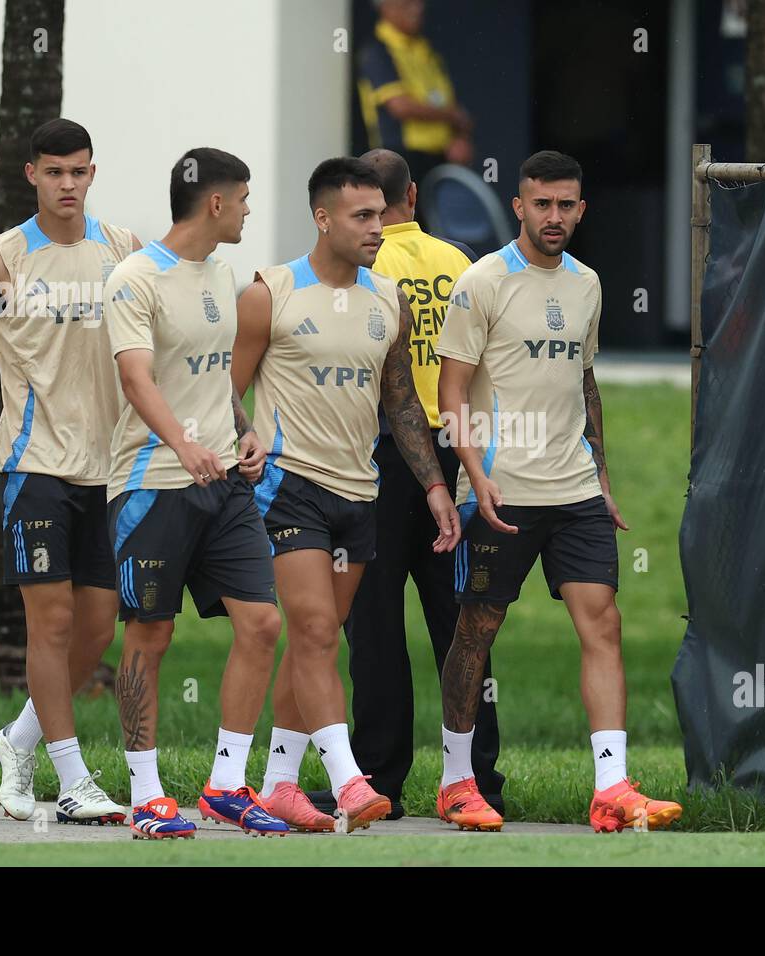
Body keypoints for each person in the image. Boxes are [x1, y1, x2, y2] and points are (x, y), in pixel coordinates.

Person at [433, 150, 683, 832]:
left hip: (573, 490)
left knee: (603, 623)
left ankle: (612, 788)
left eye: (565, 204)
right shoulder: (481, 283)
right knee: (477, 629)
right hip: (498, 488)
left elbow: (585, 380)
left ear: (581, 208)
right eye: (541, 204)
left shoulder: (588, 283)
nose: (553, 216)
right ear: (518, 206)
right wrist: (474, 474)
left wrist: (600, 478)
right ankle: (456, 780)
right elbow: (449, 389)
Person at [231, 157, 460, 832]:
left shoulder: (389, 300)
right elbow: (224, 387)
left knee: (317, 639)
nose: (377, 227)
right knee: (314, 629)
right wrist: (242, 438)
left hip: (359, 491)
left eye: (380, 212)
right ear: (323, 218)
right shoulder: (269, 293)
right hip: (287, 487)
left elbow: (404, 407)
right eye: (361, 216)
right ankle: (348, 778)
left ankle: (276, 784)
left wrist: (436, 487)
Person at [0, 118, 134, 826]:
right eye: (54, 172)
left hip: (109, 470)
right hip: (33, 465)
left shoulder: (123, 251)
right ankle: (71, 780)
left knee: (98, 629)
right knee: (51, 622)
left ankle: (17, 739)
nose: (67, 184)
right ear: (32, 176)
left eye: (78, 172)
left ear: (92, 174)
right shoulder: (2, 257)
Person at [303, 148, 502, 821]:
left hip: (379, 452)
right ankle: (477, 778)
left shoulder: (360, 268)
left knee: (374, 623)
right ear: (413, 195)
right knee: (461, 623)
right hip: (450, 449)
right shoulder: (463, 267)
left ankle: (377, 775)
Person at [103, 148, 287, 839]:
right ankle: (147, 794)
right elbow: (137, 380)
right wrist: (181, 443)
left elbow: (213, 378)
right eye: (242, 198)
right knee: (151, 633)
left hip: (226, 488)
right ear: (215, 203)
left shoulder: (222, 271)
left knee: (262, 624)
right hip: (153, 484)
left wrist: (244, 429)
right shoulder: (135, 278)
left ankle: (227, 786)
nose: (246, 210)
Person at [356, 0, 474, 187]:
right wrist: (453, 116)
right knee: (404, 216)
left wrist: (458, 137)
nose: (418, 8)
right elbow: (400, 107)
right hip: (399, 161)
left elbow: (445, 101)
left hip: (439, 160)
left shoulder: (426, 50)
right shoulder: (377, 51)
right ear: (386, 7)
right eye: (407, 3)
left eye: (419, 2)